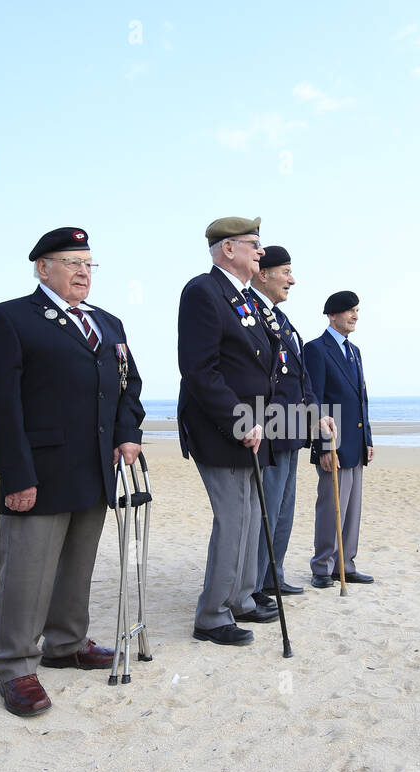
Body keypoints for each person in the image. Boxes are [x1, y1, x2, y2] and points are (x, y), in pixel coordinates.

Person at [0, 227, 144, 716]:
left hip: (95, 467)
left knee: (77, 566)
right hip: (39, 470)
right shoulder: (11, 319)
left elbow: (127, 386)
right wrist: (16, 475)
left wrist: (127, 432)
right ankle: (14, 665)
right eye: (72, 262)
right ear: (42, 267)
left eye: (89, 264)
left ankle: (67, 644)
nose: (82, 272)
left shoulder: (108, 323)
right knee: (26, 574)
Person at [176, 216, 279, 646]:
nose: (261, 252)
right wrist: (239, 420)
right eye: (254, 244)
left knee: (253, 519)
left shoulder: (246, 299)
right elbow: (199, 369)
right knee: (234, 520)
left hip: (253, 426)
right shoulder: (203, 291)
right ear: (228, 249)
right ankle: (212, 616)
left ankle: (240, 598)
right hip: (223, 428)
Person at [247, 246, 334, 604]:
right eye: (285, 271)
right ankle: (252, 584)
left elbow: (303, 381)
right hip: (267, 430)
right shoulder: (249, 314)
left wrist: (316, 414)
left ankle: (273, 576)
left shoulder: (283, 322)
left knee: (283, 509)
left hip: (291, 430)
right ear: (263, 274)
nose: (292, 280)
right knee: (264, 512)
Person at [303, 291, 376, 588]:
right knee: (330, 507)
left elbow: (362, 399)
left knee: (351, 510)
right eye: (350, 311)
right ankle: (322, 567)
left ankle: (344, 564)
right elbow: (314, 400)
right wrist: (321, 445)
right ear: (332, 314)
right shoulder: (315, 350)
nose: (355, 316)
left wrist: (367, 439)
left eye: (357, 310)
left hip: (355, 442)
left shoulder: (355, 351)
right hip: (332, 442)